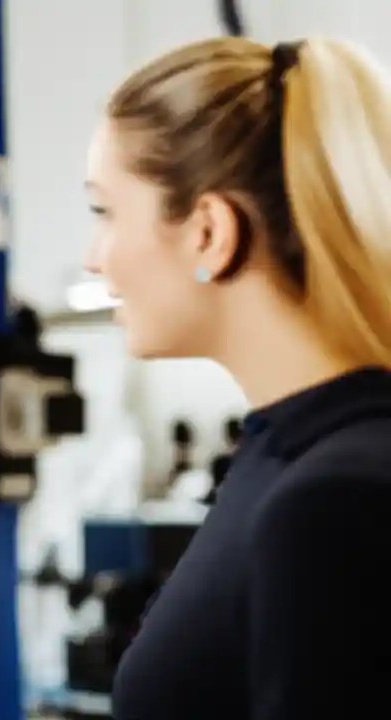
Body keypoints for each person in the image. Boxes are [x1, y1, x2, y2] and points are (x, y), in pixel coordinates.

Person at [83, 34, 391, 719]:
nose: (93, 258)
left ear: (209, 232)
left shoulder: (335, 500)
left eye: (105, 213)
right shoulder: (282, 454)